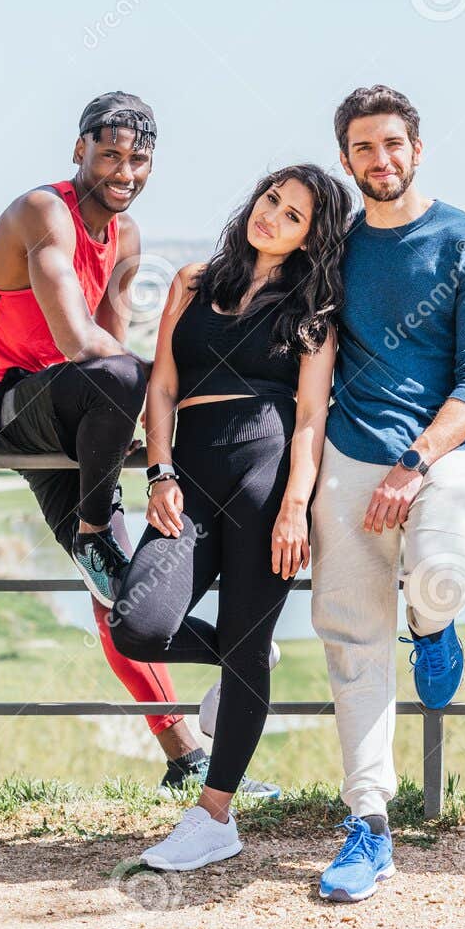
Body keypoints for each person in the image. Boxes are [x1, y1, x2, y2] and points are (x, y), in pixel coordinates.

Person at [0, 92, 209, 791]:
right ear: (79, 149)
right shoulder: (42, 212)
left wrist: (133, 417)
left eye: (138, 158)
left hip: (67, 408)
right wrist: (149, 394)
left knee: (115, 584)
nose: (124, 170)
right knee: (121, 382)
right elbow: (81, 344)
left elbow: (110, 345)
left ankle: (188, 756)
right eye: (110, 153)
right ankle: (93, 526)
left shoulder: (128, 237)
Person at [111, 165, 353, 870]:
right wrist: (158, 470)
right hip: (187, 477)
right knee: (139, 625)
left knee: (246, 651)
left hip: (265, 473)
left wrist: (295, 509)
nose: (272, 216)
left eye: (294, 215)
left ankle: (215, 816)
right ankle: (240, 655)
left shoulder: (311, 309)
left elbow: (311, 418)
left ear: (313, 238)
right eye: (271, 200)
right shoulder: (193, 281)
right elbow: (161, 384)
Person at [312, 86, 465, 902]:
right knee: (353, 644)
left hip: (443, 453)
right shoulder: (336, 247)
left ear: (417, 149)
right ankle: (370, 825)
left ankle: (432, 627)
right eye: (361, 148)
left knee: (439, 575)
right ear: (347, 159)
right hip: (346, 458)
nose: (379, 160)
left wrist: (416, 460)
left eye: (391, 144)